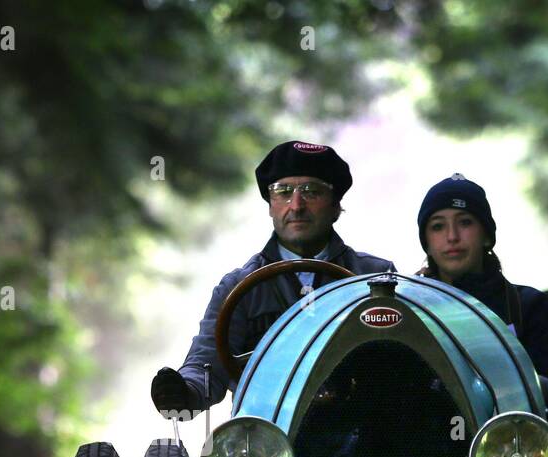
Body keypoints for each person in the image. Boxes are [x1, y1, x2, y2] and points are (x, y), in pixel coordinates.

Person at [150, 140, 396, 418]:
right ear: (271, 206)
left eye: (311, 192)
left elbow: (400, 362)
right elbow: (208, 362)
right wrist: (187, 390)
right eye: (284, 192)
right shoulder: (237, 288)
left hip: (356, 429)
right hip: (265, 437)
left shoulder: (376, 278)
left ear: (336, 206)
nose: (297, 205)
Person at [417, 174, 548, 427]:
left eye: (465, 222)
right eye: (438, 226)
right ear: (426, 242)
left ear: (486, 235)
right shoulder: (410, 310)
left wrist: (515, 382)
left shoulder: (528, 306)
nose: (452, 236)